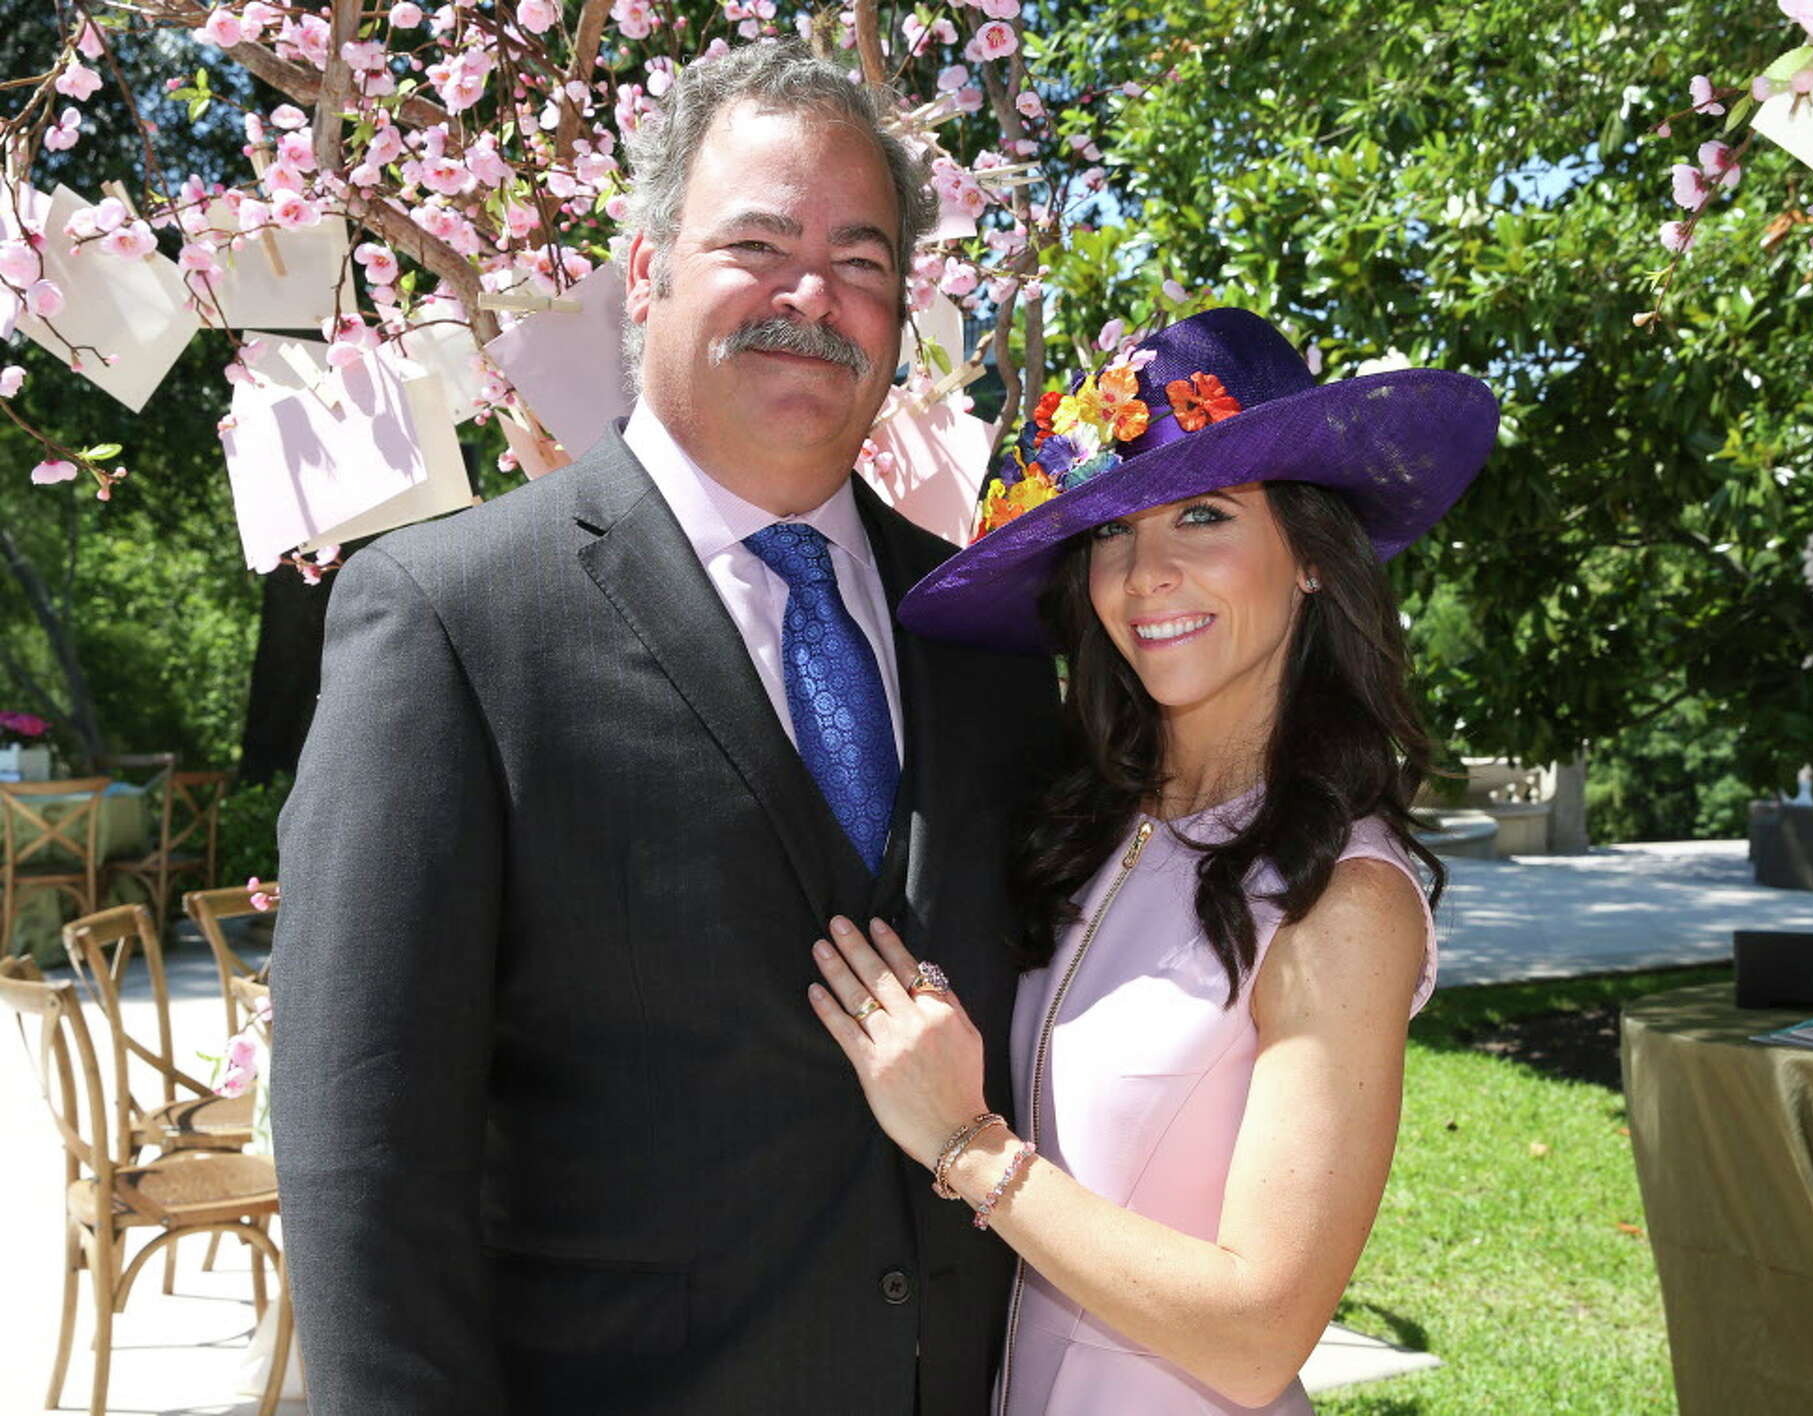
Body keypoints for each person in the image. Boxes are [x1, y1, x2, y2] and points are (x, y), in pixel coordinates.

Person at [271, 42, 1060, 1415]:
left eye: (862, 262)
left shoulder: (982, 630)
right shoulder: (451, 622)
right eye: (757, 243)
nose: (812, 296)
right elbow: (368, 1161)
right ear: (645, 276)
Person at [806, 307, 1498, 1413]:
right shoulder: (1091, 830)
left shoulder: (1343, 897)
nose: (1146, 576)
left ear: (1312, 560)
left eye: (1204, 517)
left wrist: (965, 1141)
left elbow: (1260, 1333)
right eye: (1113, 534)